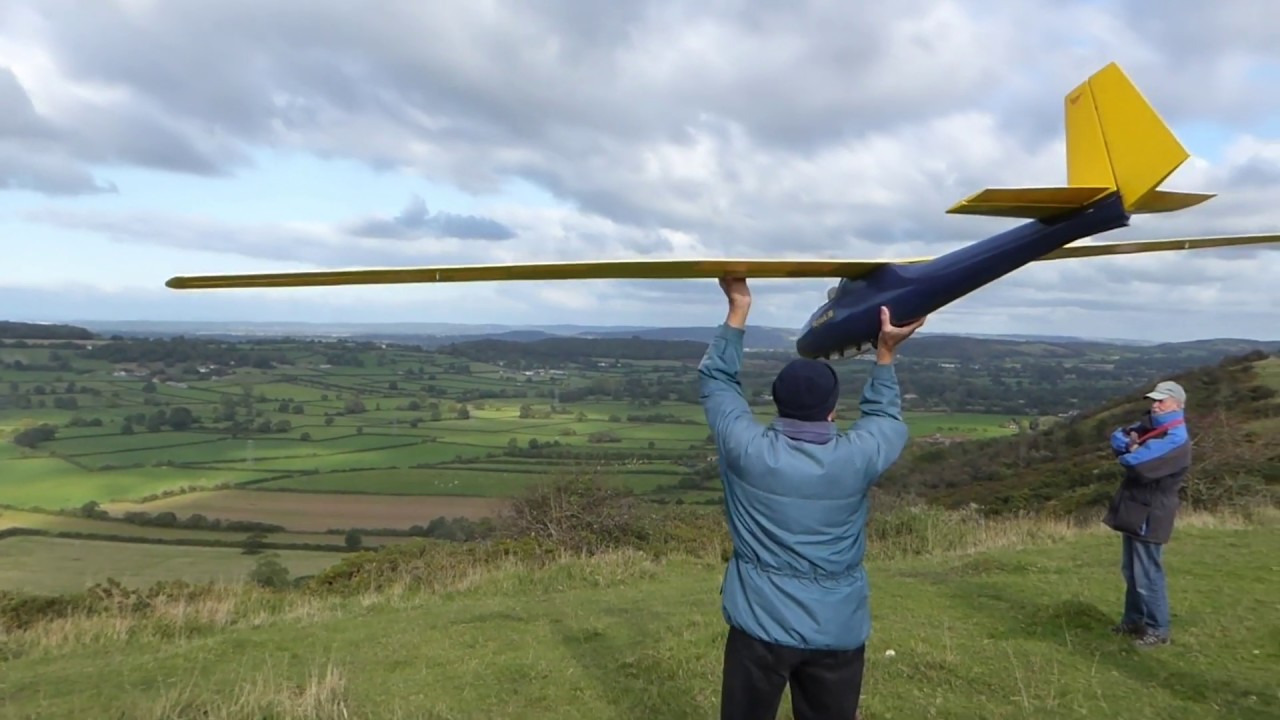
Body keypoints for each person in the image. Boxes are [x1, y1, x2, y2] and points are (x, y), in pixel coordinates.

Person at [698, 277, 926, 720]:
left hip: (758, 624)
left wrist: (739, 306)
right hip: (836, 628)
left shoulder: (747, 449)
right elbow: (883, 416)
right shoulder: (856, 457)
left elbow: (716, 381)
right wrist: (885, 353)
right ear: (832, 410)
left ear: (777, 404)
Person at [1102, 379, 1191, 648]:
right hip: (1136, 508)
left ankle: (1157, 630)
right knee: (1131, 570)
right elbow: (1117, 436)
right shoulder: (1154, 428)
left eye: (1161, 401)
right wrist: (1132, 446)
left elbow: (1137, 464)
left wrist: (1131, 450)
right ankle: (1133, 620)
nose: (1155, 405)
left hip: (1151, 513)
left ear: (1177, 404)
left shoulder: (1175, 438)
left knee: (1147, 573)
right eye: (1154, 400)